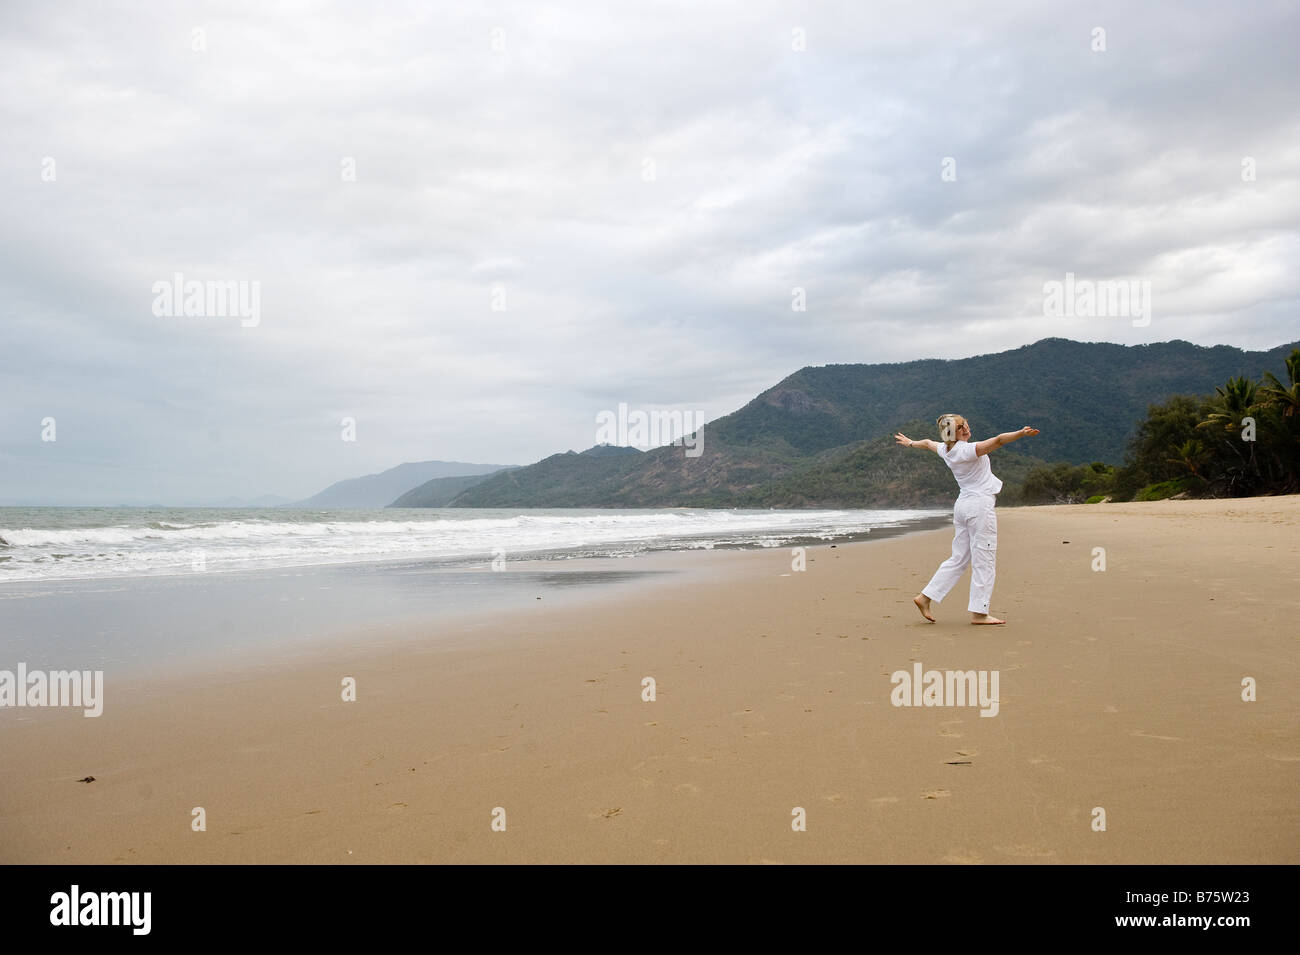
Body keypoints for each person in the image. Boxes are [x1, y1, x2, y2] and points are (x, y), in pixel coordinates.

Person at [894, 415, 1039, 625]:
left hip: (963, 506)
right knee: (984, 559)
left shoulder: (946, 450)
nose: (967, 428)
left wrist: (910, 443)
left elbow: (927, 443)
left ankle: (925, 597)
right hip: (979, 507)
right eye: (962, 426)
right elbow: (998, 440)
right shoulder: (966, 450)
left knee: (959, 558)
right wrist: (1021, 433)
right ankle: (980, 613)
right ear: (954, 432)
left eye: (966, 423)